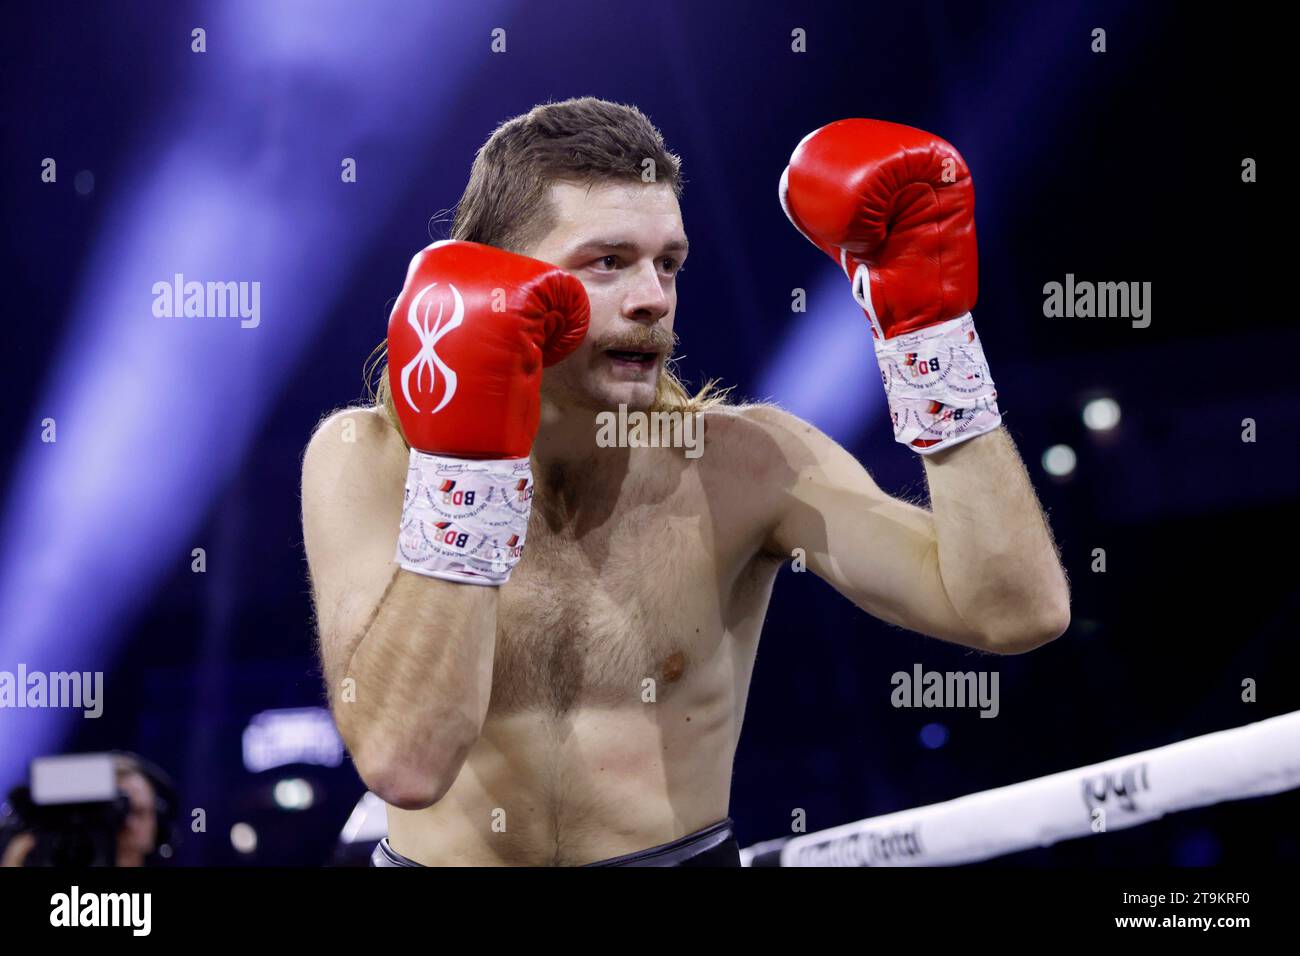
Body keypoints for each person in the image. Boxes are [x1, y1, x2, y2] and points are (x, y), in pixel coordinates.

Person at [300, 97, 1070, 866]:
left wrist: (932, 344)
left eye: (668, 263)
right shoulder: (364, 461)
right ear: (493, 272)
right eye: (608, 262)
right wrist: (465, 468)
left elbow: (1014, 611)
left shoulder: (747, 462)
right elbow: (405, 763)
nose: (652, 299)